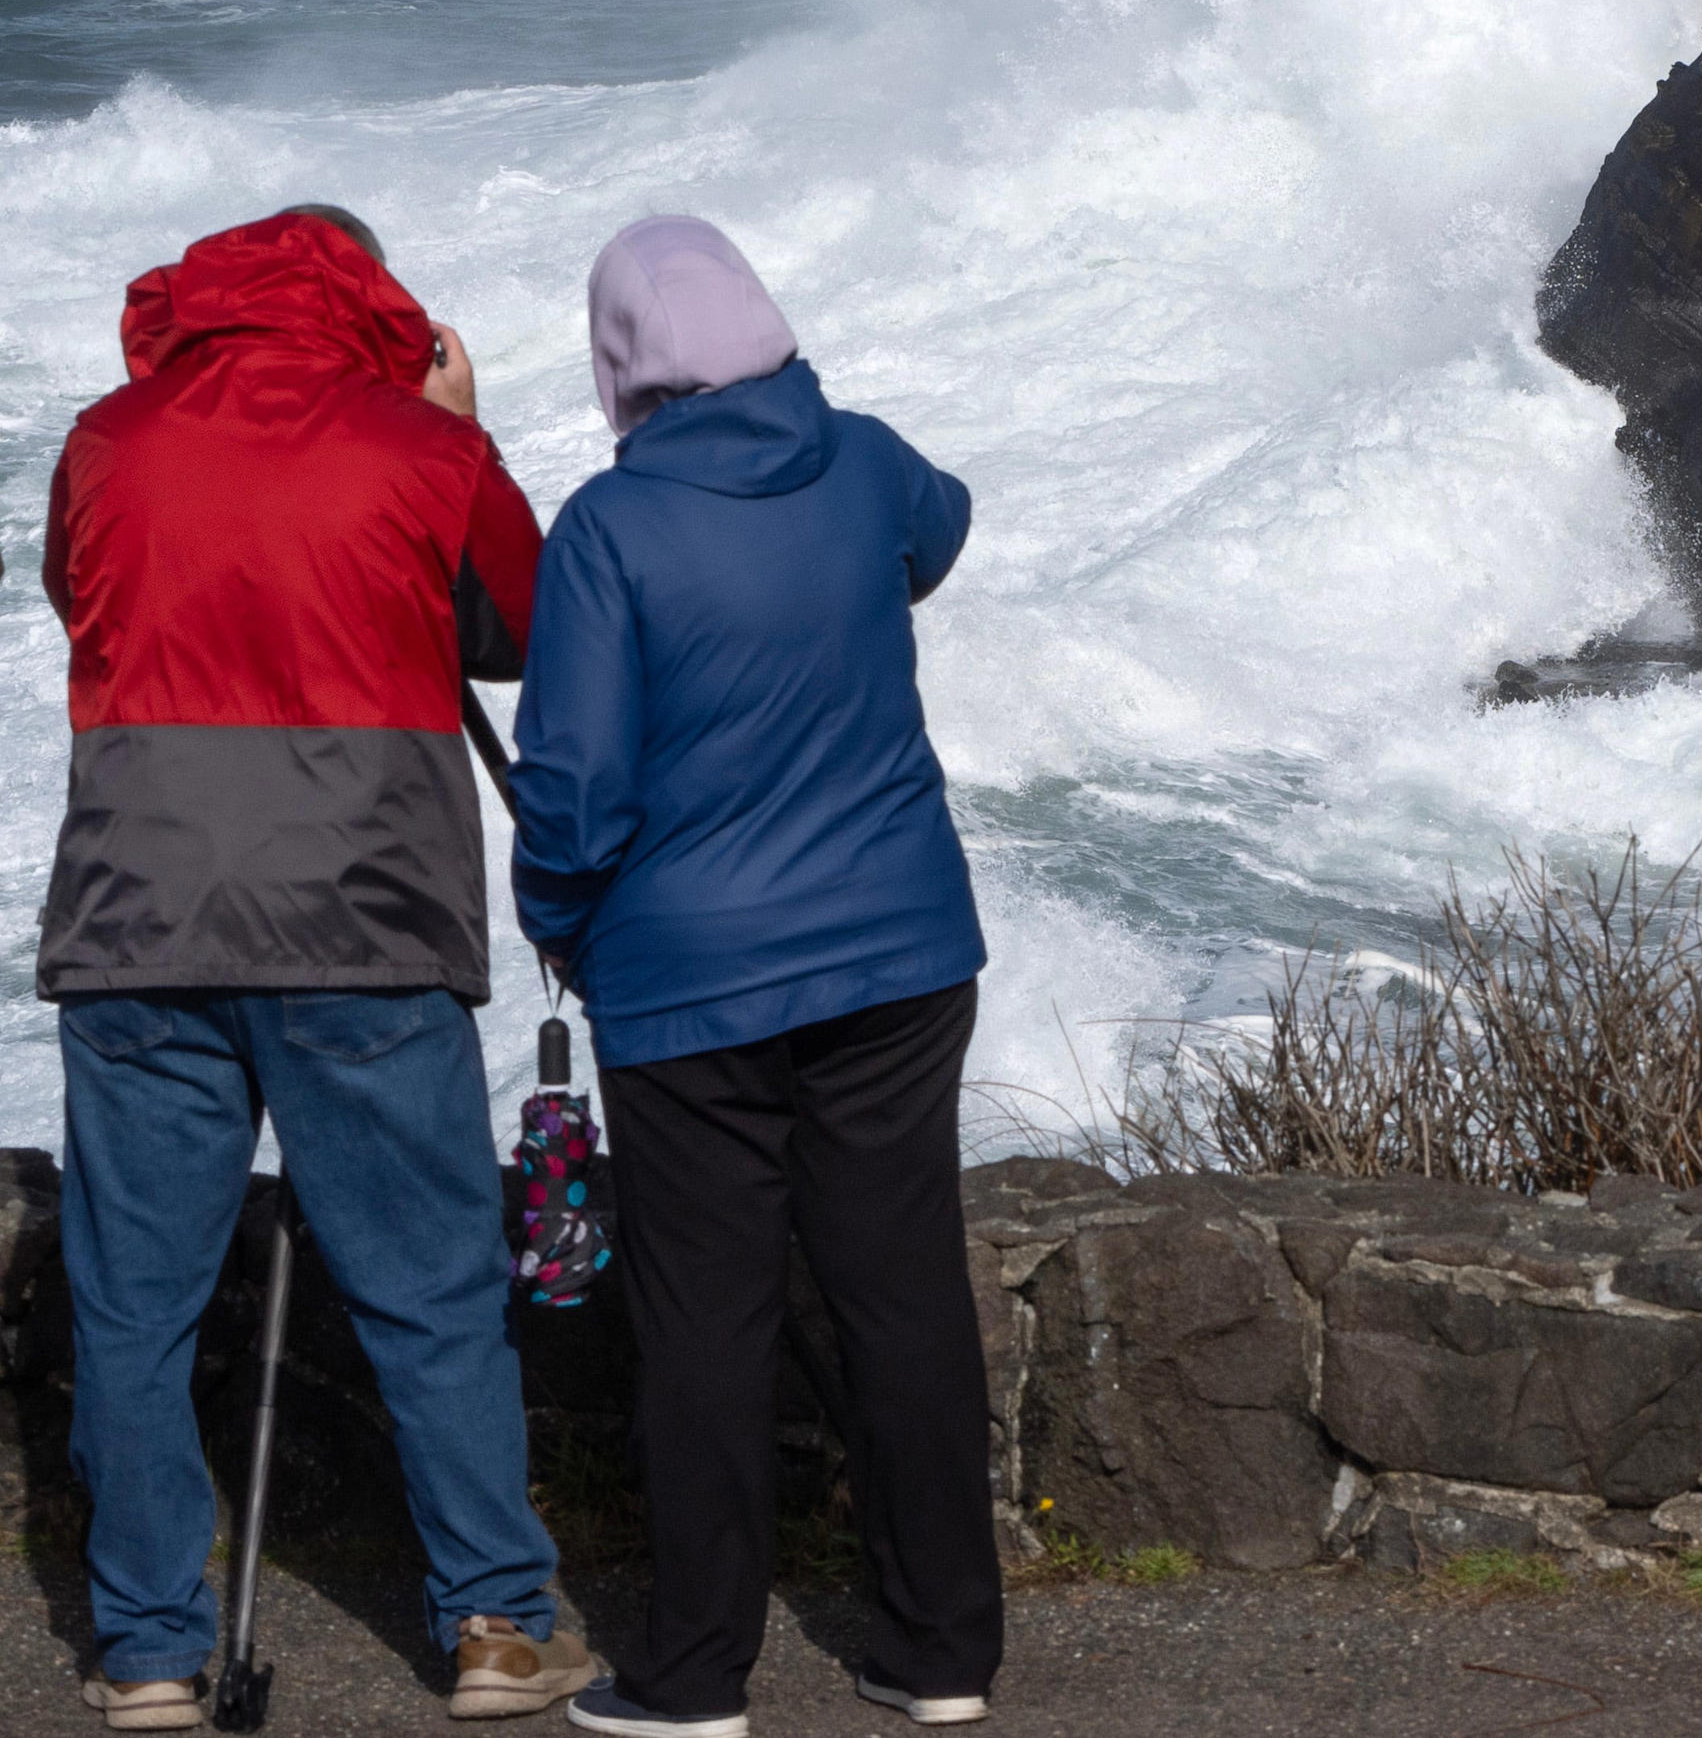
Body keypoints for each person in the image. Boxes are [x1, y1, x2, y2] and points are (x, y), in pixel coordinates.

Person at [35, 205, 598, 1730]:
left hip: (141, 913)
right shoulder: (417, 449)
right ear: (375, 307)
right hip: (365, 916)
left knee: (132, 1302)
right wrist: (459, 435)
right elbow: (526, 623)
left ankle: (148, 1651)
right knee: (429, 1287)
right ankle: (495, 1624)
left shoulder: (106, 442)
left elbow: (84, 599)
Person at [506, 219, 999, 1738]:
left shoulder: (608, 528)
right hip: (902, 950)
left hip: (691, 984)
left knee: (705, 1324)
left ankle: (695, 1673)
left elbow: (576, 784)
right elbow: (941, 532)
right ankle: (942, 1653)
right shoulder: (866, 460)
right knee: (902, 1296)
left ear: (619, 361)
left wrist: (556, 916)